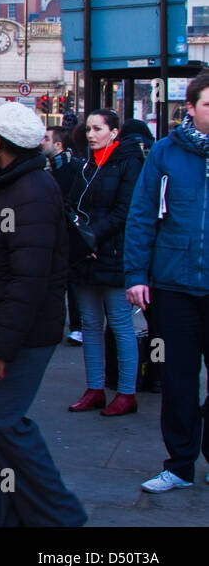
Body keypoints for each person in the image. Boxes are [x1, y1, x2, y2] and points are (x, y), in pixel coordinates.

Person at [0, 102, 87, 526]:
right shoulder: (13, 183)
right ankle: (0, 516)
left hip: (20, 335)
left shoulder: (29, 190)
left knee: (3, 422)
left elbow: (29, 280)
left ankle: (61, 514)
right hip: (0, 325)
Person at [126, 72, 209, 493]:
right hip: (174, 285)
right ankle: (179, 464)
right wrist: (136, 275)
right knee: (177, 378)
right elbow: (141, 215)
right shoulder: (164, 153)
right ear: (190, 109)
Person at [64, 109, 143, 417]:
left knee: (121, 324)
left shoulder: (128, 161)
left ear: (114, 131)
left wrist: (92, 237)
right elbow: (71, 203)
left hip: (112, 253)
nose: (91, 134)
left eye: (98, 129)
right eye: (88, 129)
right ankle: (94, 387)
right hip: (86, 254)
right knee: (91, 324)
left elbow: (126, 210)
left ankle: (126, 392)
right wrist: (81, 237)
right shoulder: (84, 163)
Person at [42, 125, 83, 343]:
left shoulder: (70, 169)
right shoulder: (49, 169)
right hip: (54, 231)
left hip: (67, 230)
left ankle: (78, 325)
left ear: (58, 145)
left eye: (46, 139)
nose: (42, 142)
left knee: (71, 281)